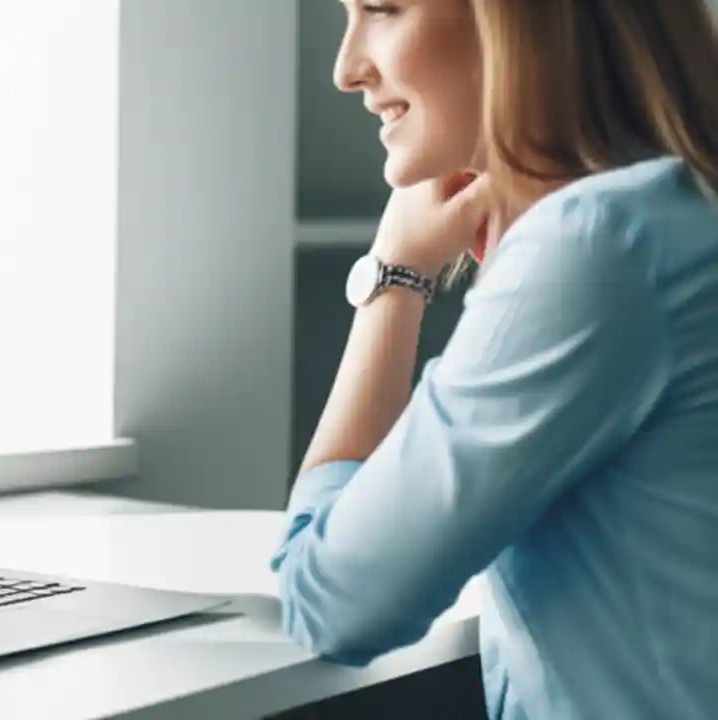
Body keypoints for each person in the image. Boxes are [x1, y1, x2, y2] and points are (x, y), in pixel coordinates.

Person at [270, 1, 718, 718]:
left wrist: (396, 272)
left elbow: (329, 600)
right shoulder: (675, 216)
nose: (347, 69)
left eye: (382, 9)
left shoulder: (601, 243)